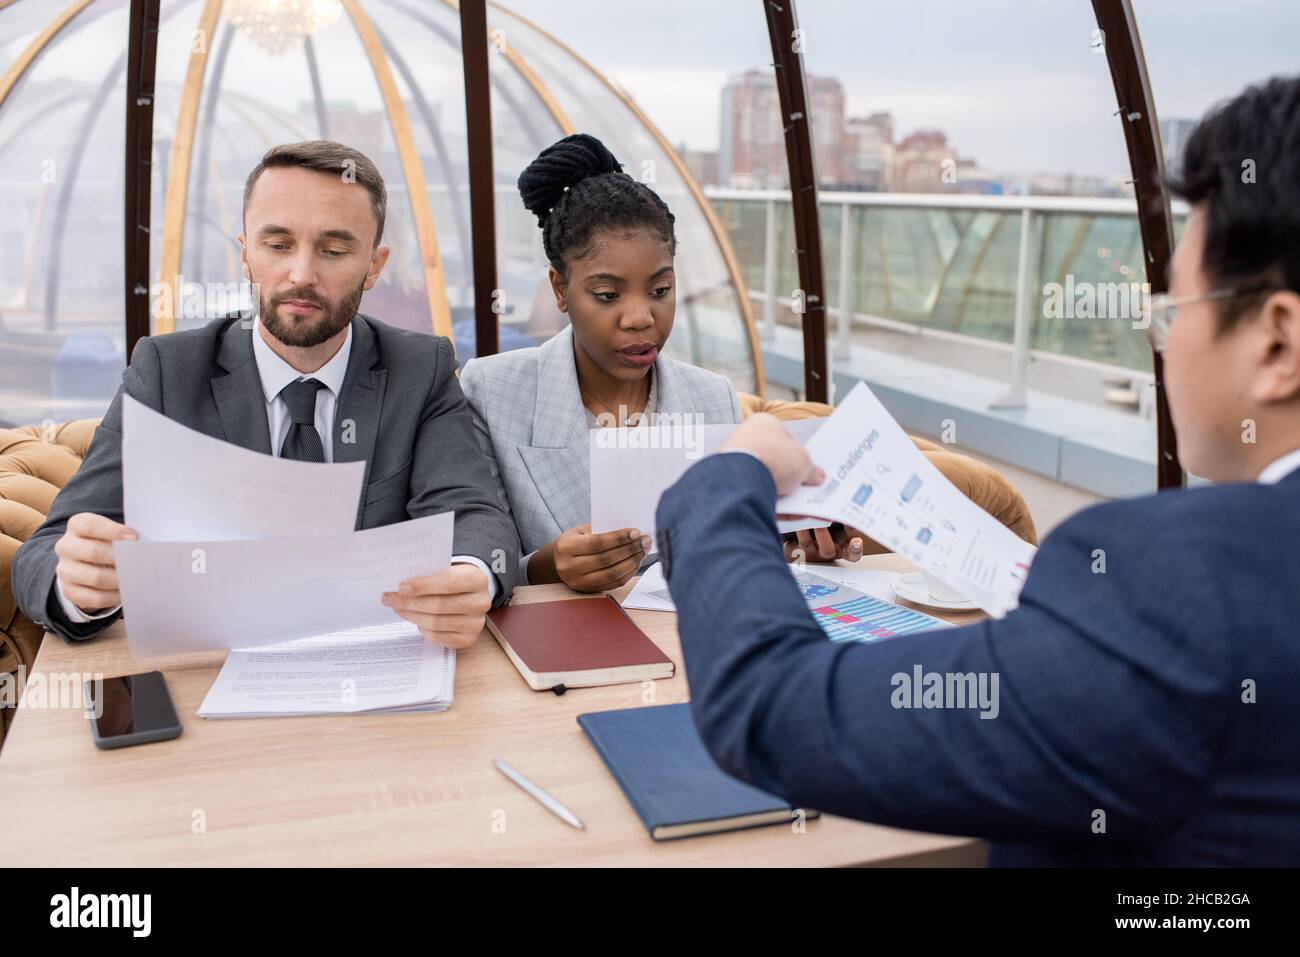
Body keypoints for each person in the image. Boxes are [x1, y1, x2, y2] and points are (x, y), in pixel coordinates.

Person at [655, 76, 1300, 866]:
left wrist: (729, 478)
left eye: (1173, 313)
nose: (1164, 348)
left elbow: (776, 709)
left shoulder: (1178, 588)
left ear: (1276, 343)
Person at [12, 140, 519, 650]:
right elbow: (45, 552)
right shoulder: (167, 372)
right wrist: (78, 586)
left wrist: (470, 574)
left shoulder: (420, 367)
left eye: (334, 250)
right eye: (277, 246)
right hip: (207, 674)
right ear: (246, 255)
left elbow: (475, 514)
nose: (301, 274)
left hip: (375, 674)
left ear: (375, 265)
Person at [460, 134, 741, 593]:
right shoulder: (491, 393)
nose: (640, 318)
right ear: (559, 290)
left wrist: (796, 544)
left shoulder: (714, 400)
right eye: (607, 295)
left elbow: (734, 552)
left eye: (660, 291)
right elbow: (473, 554)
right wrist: (544, 567)